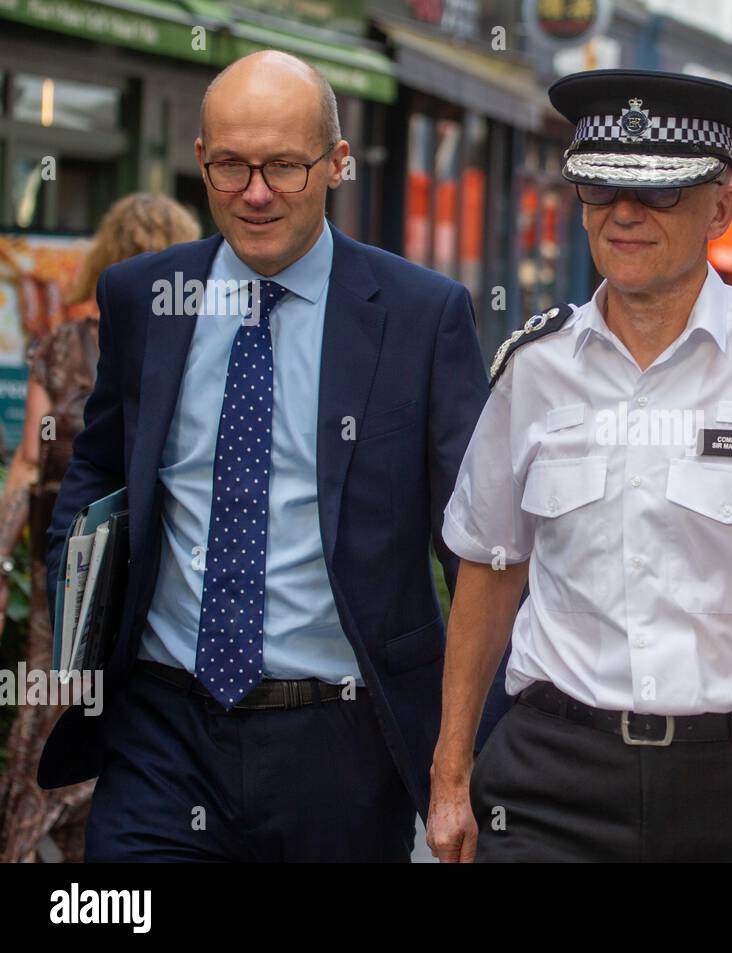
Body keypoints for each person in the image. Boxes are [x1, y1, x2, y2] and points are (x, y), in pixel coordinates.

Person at [39, 50, 505, 861]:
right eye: (231, 166)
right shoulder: (142, 297)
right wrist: (72, 590)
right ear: (201, 162)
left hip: (341, 747)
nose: (255, 193)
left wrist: (471, 762)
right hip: (162, 736)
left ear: (336, 163)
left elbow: (475, 551)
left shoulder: (421, 317)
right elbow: (98, 470)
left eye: (285, 167)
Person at [428, 69, 732, 863]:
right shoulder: (534, 367)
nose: (626, 213)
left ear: (720, 206)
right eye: (601, 189)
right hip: (550, 776)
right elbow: (489, 563)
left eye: (661, 193)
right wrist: (450, 771)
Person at [0, 194, 200, 863]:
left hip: (64, 569)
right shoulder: (190, 337)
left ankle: (29, 841)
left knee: (46, 721)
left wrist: (2, 560)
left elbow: (29, 461)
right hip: (151, 569)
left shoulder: (61, 343)